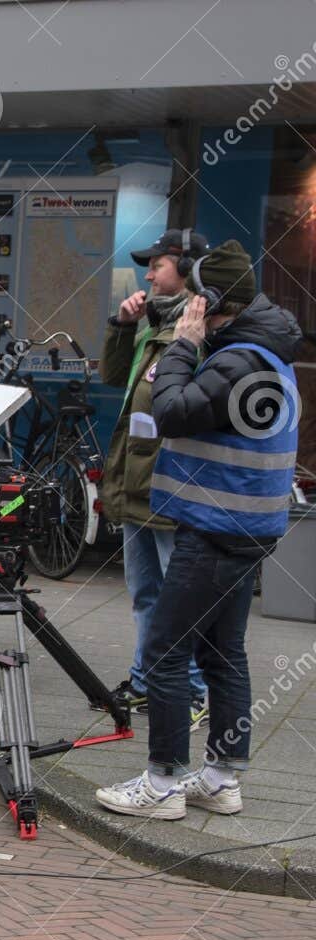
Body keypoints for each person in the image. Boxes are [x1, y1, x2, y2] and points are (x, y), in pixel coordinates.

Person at [95, 241, 301, 819]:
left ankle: (162, 784)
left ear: (209, 302)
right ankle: (221, 779)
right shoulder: (266, 350)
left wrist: (184, 346)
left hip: (214, 529)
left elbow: (176, 412)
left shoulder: (237, 360)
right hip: (245, 528)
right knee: (223, 652)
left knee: (164, 650)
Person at [99, 228, 210, 721]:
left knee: (177, 596)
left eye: (157, 265)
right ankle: (146, 681)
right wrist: (123, 326)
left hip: (168, 484)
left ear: (186, 271)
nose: (147, 274)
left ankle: (192, 690)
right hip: (132, 481)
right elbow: (112, 378)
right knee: (145, 593)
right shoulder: (151, 323)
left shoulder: (198, 330)